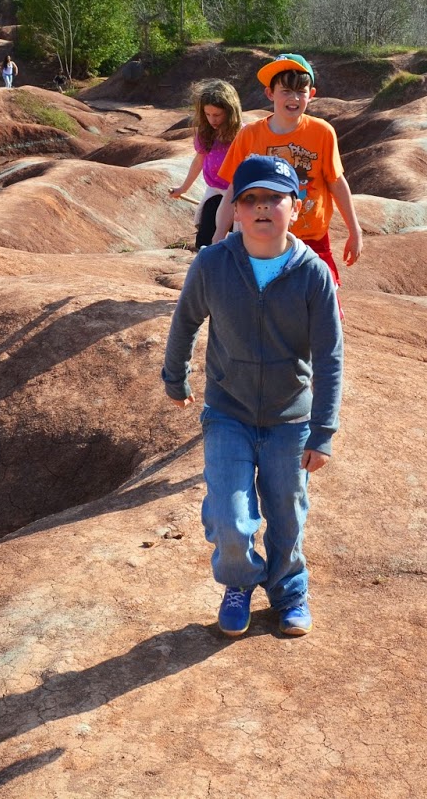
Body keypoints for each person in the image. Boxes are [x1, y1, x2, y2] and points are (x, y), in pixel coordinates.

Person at [162, 154, 343, 638]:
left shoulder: (312, 274)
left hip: (290, 420)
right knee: (229, 515)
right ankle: (239, 583)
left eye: (275, 198)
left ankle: (289, 592)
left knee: (286, 512)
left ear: (296, 206)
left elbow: (329, 355)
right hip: (228, 412)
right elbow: (185, 321)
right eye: (251, 199)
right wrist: (174, 377)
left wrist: (323, 429)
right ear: (235, 210)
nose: (263, 208)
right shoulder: (213, 264)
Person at [214, 53, 362, 285]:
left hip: (312, 238)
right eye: (285, 91)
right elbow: (234, 188)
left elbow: (336, 181)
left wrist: (355, 231)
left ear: (311, 95)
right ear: (270, 93)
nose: (293, 98)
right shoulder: (249, 135)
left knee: (322, 304)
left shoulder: (322, 132)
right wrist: (219, 235)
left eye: (301, 91)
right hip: (260, 239)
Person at [169, 78, 243, 251]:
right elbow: (198, 161)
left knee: (238, 240)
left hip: (238, 193)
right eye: (207, 114)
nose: (212, 120)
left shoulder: (243, 135)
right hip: (214, 191)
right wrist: (183, 188)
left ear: (230, 111)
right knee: (205, 236)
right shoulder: (205, 134)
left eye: (217, 115)